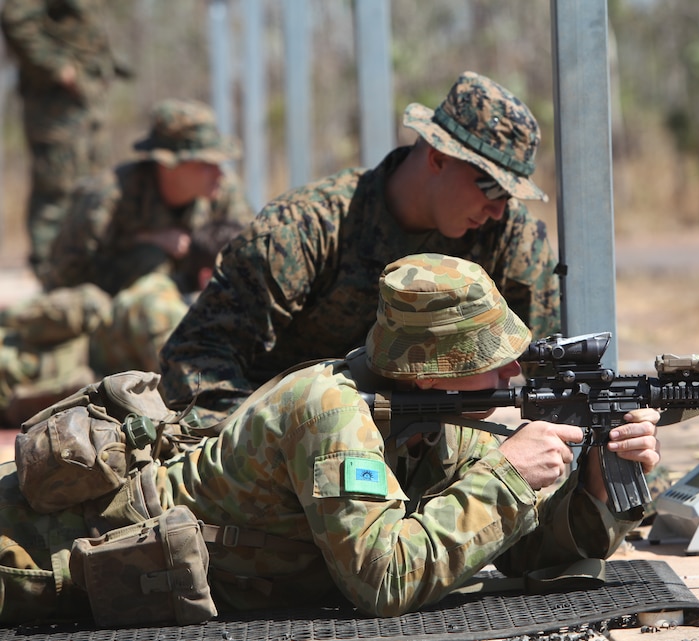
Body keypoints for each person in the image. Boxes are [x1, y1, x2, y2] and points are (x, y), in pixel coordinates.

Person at [0, 253, 661, 622]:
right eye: (491, 359)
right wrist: (509, 475)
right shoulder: (330, 412)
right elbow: (384, 580)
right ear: (431, 372)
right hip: (45, 547)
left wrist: (596, 488)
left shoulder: (432, 416)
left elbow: (522, 554)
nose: (511, 373)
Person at [160, 71, 561, 422]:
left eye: (511, 194)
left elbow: (551, 371)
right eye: (491, 186)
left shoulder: (509, 237)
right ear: (439, 158)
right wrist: (262, 441)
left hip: (432, 445)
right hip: (293, 438)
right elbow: (195, 359)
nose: (498, 208)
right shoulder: (304, 229)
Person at [0, 219, 244, 427]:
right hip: (30, 373)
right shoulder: (161, 310)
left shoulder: (176, 297)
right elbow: (198, 400)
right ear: (207, 279)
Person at [43, 97, 255, 295]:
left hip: (199, 302)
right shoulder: (107, 196)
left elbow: (254, 251)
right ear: (168, 164)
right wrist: (144, 239)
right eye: (205, 164)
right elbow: (65, 276)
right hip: (118, 307)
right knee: (151, 258)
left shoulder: (223, 190)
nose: (219, 173)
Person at [0, 0, 132, 283]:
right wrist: (59, 68)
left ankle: (82, 270)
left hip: (86, 100)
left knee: (92, 187)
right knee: (57, 188)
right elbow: (15, 18)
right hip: (56, 106)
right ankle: (48, 276)